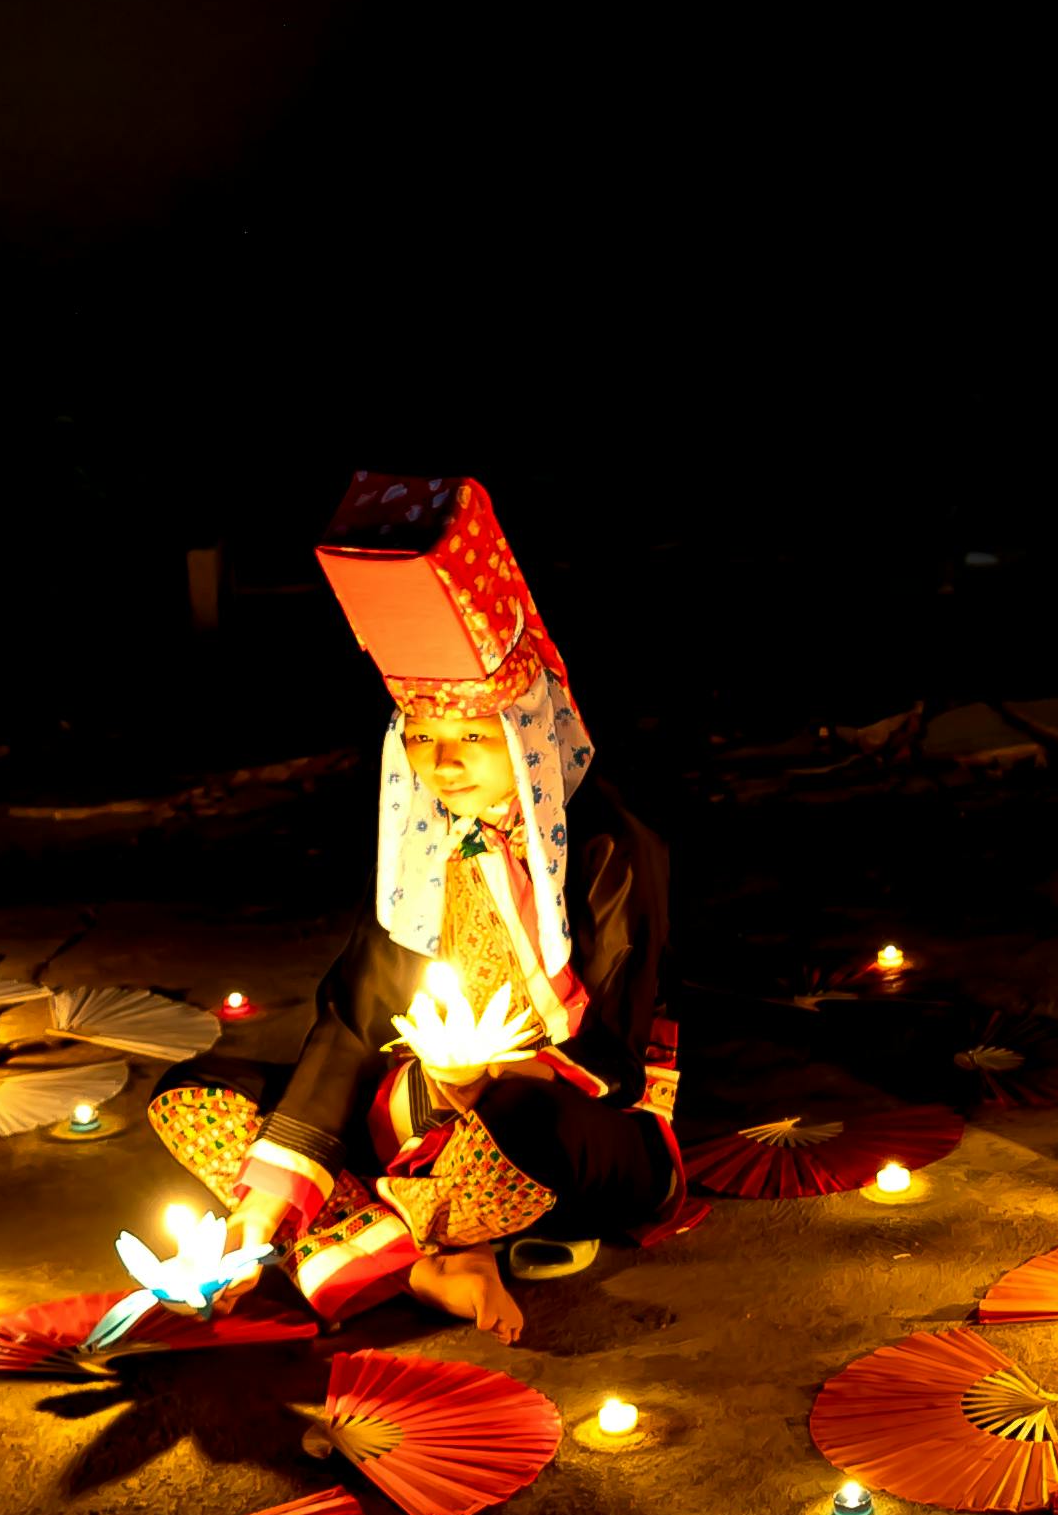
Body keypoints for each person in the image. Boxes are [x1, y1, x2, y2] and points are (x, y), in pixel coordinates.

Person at [143, 472, 676, 1340]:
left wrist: (489, 1075)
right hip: (416, 1117)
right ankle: (423, 1260)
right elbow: (352, 1026)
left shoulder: (612, 847)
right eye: (421, 737)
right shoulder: (423, 848)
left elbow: (615, 1059)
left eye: (472, 736)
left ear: (528, 733)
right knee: (192, 1095)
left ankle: (369, 1244)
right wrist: (256, 1220)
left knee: (517, 1120)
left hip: (562, 1120)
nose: (442, 761)